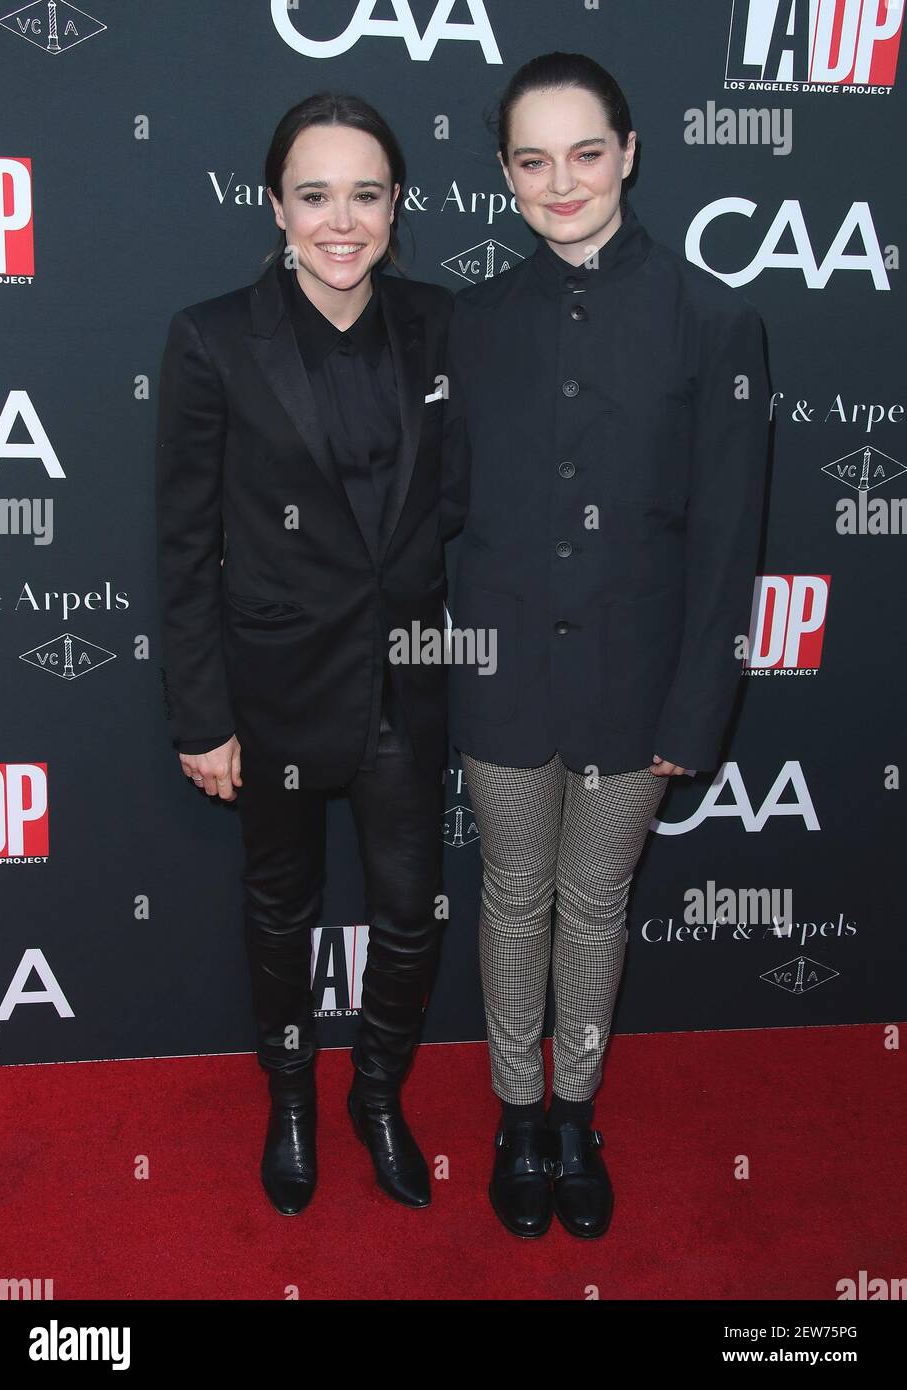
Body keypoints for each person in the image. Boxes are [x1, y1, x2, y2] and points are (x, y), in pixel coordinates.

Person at [441, 52, 769, 1239]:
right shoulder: (468, 324)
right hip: (499, 683)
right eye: (533, 160)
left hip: (637, 687)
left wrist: (695, 711)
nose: (561, 180)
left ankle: (574, 1115)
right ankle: (515, 1115)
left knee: (594, 905)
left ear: (628, 152)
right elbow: (439, 517)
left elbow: (728, 540)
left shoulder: (714, 319)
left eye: (586, 152)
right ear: (505, 176)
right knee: (513, 895)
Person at [155, 93, 453, 1216]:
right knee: (280, 910)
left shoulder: (440, 324)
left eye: (365, 194)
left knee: (411, 909)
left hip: (405, 687)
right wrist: (199, 714)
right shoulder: (212, 337)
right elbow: (184, 543)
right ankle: (290, 1096)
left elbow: (459, 498)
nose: (342, 220)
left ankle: (376, 1092)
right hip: (272, 687)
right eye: (315, 194)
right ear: (275, 206)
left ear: (395, 205)